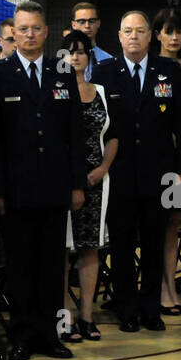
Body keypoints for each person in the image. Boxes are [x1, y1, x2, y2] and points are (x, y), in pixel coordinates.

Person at [0, 1, 85, 360]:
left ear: (46, 31)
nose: (29, 35)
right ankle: (22, 336)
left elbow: (74, 130)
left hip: (55, 187)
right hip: (16, 189)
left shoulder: (62, 70)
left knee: (53, 266)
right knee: (21, 267)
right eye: (22, 29)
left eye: (36, 28)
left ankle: (51, 336)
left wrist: (76, 184)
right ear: (13, 33)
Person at [93, 11, 181, 332]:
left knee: (153, 242)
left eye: (140, 31)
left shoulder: (168, 71)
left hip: (158, 173)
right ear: (119, 37)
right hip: (119, 174)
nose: (133, 36)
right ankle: (126, 310)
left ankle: (151, 309)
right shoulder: (105, 72)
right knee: (121, 245)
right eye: (127, 31)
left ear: (151, 37)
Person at [59, 29, 116, 343]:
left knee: (89, 248)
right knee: (62, 251)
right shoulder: (55, 91)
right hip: (64, 182)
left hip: (97, 181)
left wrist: (104, 167)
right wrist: (73, 180)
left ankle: (87, 317)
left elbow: (114, 136)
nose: (76, 56)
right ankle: (62, 320)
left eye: (81, 51)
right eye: (70, 51)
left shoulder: (102, 91)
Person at [151, 7, 181, 316]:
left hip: (180, 160)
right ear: (157, 35)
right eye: (169, 31)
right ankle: (155, 290)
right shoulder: (150, 66)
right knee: (154, 226)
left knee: (174, 224)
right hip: (152, 159)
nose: (175, 36)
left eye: (179, 31)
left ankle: (169, 289)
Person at [70, 2, 114, 79]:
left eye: (91, 21)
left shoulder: (108, 60)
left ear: (98, 23)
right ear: (73, 25)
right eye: (82, 22)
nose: (87, 26)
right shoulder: (64, 60)